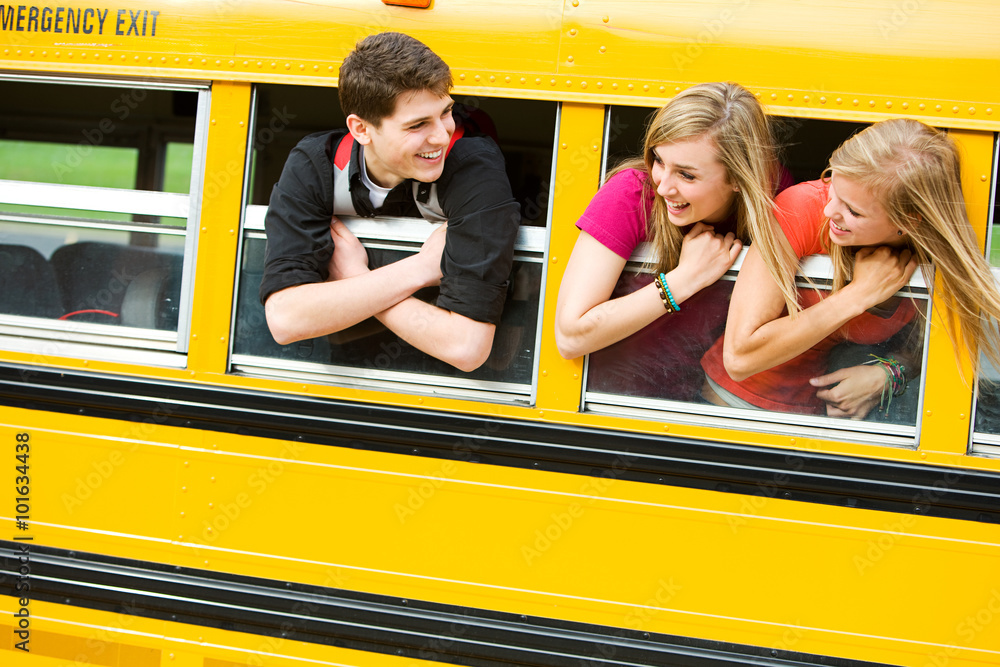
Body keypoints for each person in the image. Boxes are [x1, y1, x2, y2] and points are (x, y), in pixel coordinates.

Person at [702, 118, 1000, 418]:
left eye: (853, 210)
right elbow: (740, 358)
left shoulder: (932, 249)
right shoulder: (802, 206)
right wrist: (858, 294)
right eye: (833, 183)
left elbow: (929, 346)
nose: (830, 210)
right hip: (735, 407)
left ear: (909, 221)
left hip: (835, 418)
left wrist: (890, 374)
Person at [259, 32, 521, 372]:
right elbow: (286, 319)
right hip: (341, 379)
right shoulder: (317, 164)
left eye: (446, 112)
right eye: (417, 124)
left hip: (456, 393)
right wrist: (420, 269)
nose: (441, 135)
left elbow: (466, 346)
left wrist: (353, 275)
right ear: (362, 130)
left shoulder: (474, 168)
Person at [554, 82, 782, 402]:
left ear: (739, 179)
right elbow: (570, 336)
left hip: (716, 403)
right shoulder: (633, 194)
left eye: (687, 175)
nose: (663, 187)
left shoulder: (774, 197)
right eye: (659, 161)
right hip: (613, 402)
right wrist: (683, 280)